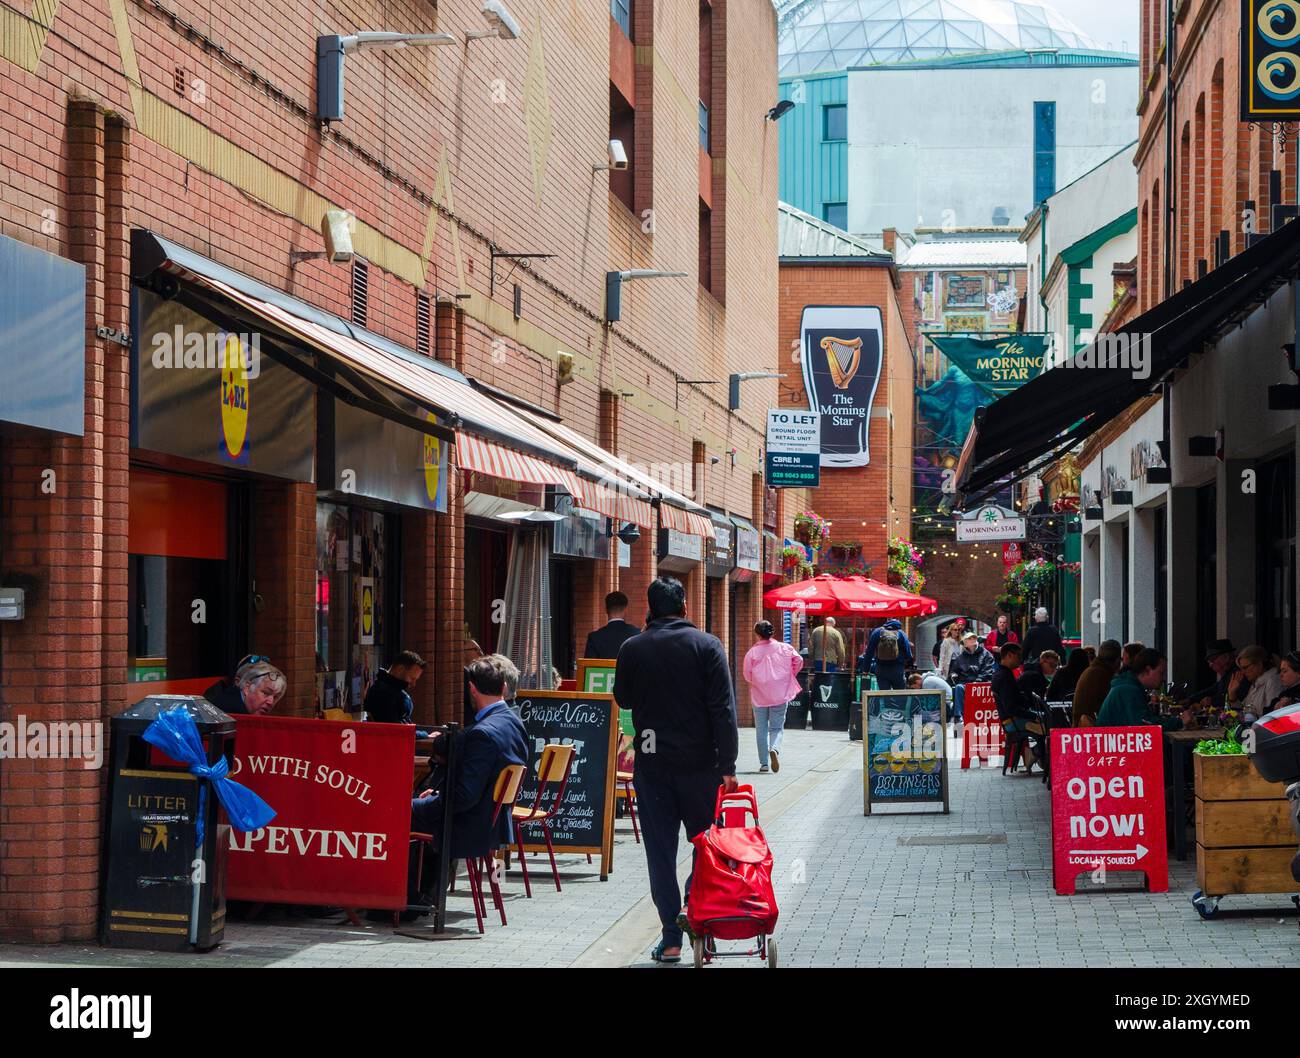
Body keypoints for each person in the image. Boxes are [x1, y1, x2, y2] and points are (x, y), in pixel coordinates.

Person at [614, 577, 738, 965]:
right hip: (702, 766)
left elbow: (624, 698)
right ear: (685, 607)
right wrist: (728, 764)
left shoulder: (632, 648)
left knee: (660, 854)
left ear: (648, 611)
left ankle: (671, 939)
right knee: (707, 846)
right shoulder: (707, 645)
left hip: (652, 766)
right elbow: (723, 709)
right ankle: (696, 912)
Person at [410, 654, 528, 885]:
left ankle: (403, 899)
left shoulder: (483, 733)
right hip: (494, 821)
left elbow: (464, 797)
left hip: (473, 824)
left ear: (472, 689)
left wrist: (431, 801)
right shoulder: (514, 723)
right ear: (503, 688)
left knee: (398, 813)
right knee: (416, 807)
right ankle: (420, 894)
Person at [742, 621, 802, 774]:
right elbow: (799, 660)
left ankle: (764, 764)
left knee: (761, 729)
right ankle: (774, 748)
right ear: (772, 633)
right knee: (776, 727)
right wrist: (789, 674)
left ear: (757, 634)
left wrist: (757, 682)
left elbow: (746, 674)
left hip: (759, 695)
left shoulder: (752, 653)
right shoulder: (785, 648)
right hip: (780, 693)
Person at [1098, 648, 1193, 731]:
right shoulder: (1128, 690)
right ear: (1147, 670)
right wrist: (1179, 721)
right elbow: (1145, 726)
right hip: (1114, 750)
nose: (1163, 678)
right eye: (1161, 673)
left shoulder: (1127, 686)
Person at [990, 643, 1044, 771]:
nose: (1020, 659)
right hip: (1013, 721)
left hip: (1013, 719)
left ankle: (1039, 756)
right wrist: (1034, 715)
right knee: (1048, 726)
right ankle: (1036, 754)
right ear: (1009, 655)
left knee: (1045, 721)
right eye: (1018, 656)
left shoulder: (1003, 673)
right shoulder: (1004, 677)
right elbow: (1011, 708)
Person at [363, 650, 426, 724]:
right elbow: (393, 728)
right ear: (400, 669)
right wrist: (423, 734)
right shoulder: (382, 693)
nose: (413, 684)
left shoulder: (393, 690)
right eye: (412, 678)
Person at [948, 630, 997, 725]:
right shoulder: (960, 658)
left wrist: (977, 681)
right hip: (966, 685)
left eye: (974, 638)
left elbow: (988, 670)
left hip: (982, 684)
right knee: (958, 687)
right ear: (965, 643)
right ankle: (958, 717)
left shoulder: (986, 654)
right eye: (969, 638)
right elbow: (953, 671)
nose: (972, 640)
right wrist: (953, 675)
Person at [204, 661, 286, 716]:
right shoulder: (232, 713)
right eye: (266, 693)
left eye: (275, 697)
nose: (271, 702)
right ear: (247, 687)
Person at [1071, 640, 1122, 728]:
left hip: (1081, 727)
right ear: (1117, 660)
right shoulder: (1102, 675)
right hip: (1091, 730)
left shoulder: (1093, 670)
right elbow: (1112, 707)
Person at [1227, 645, 1285, 722]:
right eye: (1241, 669)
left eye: (1246, 667)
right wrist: (1232, 695)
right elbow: (1244, 711)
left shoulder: (1273, 680)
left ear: (1259, 664)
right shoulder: (1255, 683)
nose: (1243, 672)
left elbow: (1273, 714)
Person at [1182, 639, 1240, 713]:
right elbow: (1214, 688)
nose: (1210, 665)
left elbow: (1236, 697)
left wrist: (1212, 701)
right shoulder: (1227, 673)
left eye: (1212, 660)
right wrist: (1191, 699)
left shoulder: (1238, 672)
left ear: (1226, 657)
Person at [583, 591, 641, 660]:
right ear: (626, 610)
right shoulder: (637, 634)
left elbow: (589, 667)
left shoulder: (594, 638)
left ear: (606, 610)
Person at [860, 618, 914, 690]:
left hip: (881, 668)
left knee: (884, 695)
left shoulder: (877, 632)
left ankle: (885, 701)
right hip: (897, 669)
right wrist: (909, 665)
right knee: (900, 695)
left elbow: (869, 652)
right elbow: (908, 653)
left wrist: (866, 669)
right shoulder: (901, 633)